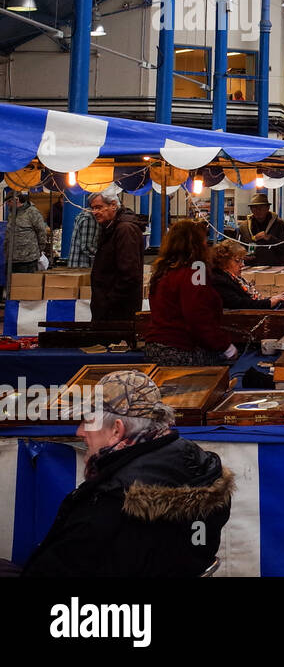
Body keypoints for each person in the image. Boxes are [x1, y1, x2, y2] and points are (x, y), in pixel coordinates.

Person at [21, 370, 233, 577]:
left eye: (88, 421)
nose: (80, 431)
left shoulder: (110, 501)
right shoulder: (199, 466)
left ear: (116, 430)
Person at [141, 220, 239, 366]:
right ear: (196, 244)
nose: (207, 244)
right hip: (181, 349)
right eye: (204, 240)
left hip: (155, 348)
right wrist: (226, 347)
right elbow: (198, 315)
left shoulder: (163, 271)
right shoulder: (195, 271)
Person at [88, 191, 147, 323]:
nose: (94, 212)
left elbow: (129, 274)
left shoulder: (124, 230)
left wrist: (108, 301)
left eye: (98, 207)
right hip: (111, 310)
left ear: (113, 205)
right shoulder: (111, 228)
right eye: (92, 208)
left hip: (117, 313)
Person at [209, 240, 284, 310]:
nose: (242, 265)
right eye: (238, 260)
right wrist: (270, 302)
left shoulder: (236, 279)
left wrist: (274, 299)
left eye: (243, 260)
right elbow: (239, 304)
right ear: (224, 261)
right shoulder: (219, 281)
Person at [238, 193, 284, 265]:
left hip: (274, 268)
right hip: (251, 268)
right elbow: (238, 248)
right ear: (251, 209)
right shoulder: (244, 227)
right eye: (255, 207)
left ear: (268, 208)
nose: (258, 210)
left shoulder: (279, 224)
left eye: (262, 207)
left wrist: (269, 238)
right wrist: (243, 255)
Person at [5, 191, 48, 274]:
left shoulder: (32, 212)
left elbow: (41, 232)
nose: (8, 204)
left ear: (16, 200)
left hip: (27, 259)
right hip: (11, 258)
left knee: (25, 284)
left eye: (9, 202)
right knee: (12, 285)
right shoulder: (11, 214)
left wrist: (39, 250)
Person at [67, 202, 100, 269]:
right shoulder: (90, 218)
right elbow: (87, 247)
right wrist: (104, 256)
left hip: (78, 265)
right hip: (83, 265)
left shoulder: (85, 214)